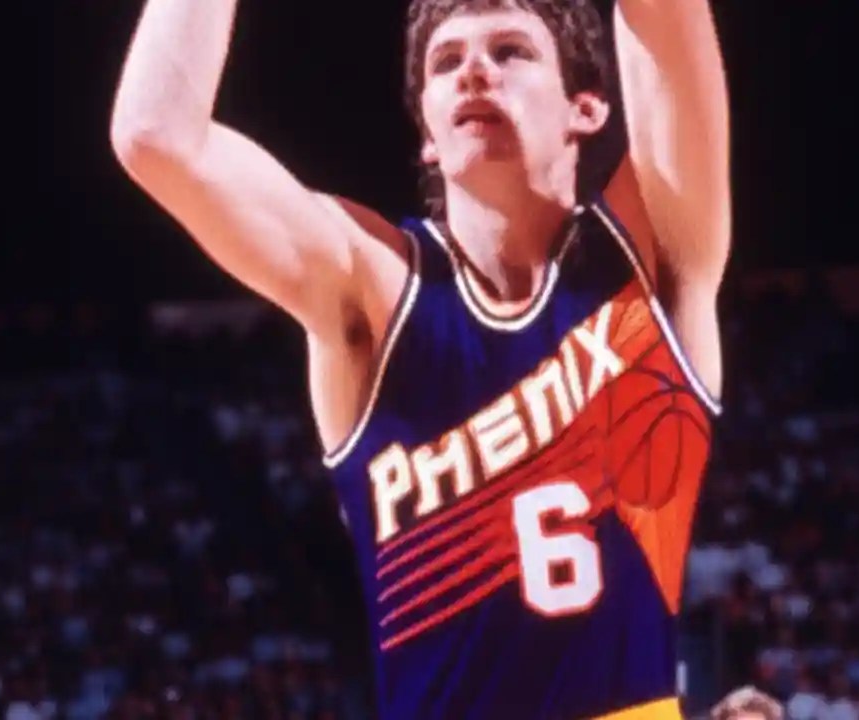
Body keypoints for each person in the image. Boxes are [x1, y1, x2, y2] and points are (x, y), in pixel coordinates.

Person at [110, 0, 731, 716]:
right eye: (446, 61)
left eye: (511, 51)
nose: (474, 71)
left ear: (585, 109)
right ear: (429, 137)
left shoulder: (650, 253)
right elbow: (155, 135)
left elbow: (668, 17)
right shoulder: (374, 290)